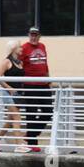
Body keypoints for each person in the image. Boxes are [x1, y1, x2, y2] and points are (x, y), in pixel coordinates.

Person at [17, 25, 52, 154]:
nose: (34, 37)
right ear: (28, 35)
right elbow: (18, 66)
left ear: (39, 36)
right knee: (31, 113)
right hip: (30, 85)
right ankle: (32, 143)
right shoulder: (24, 48)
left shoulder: (42, 46)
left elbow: (45, 64)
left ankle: (30, 134)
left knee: (48, 112)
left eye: (36, 35)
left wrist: (49, 79)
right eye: (32, 34)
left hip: (44, 85)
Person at [0, 41, 25, 151]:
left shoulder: (20, 62)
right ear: (13, 48)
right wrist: (9, 88)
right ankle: (19, 146)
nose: (22, 48)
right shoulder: (6, 61)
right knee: (17, 117)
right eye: (19, 46)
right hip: (7, 93)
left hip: (18, 94)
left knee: (10, 120)